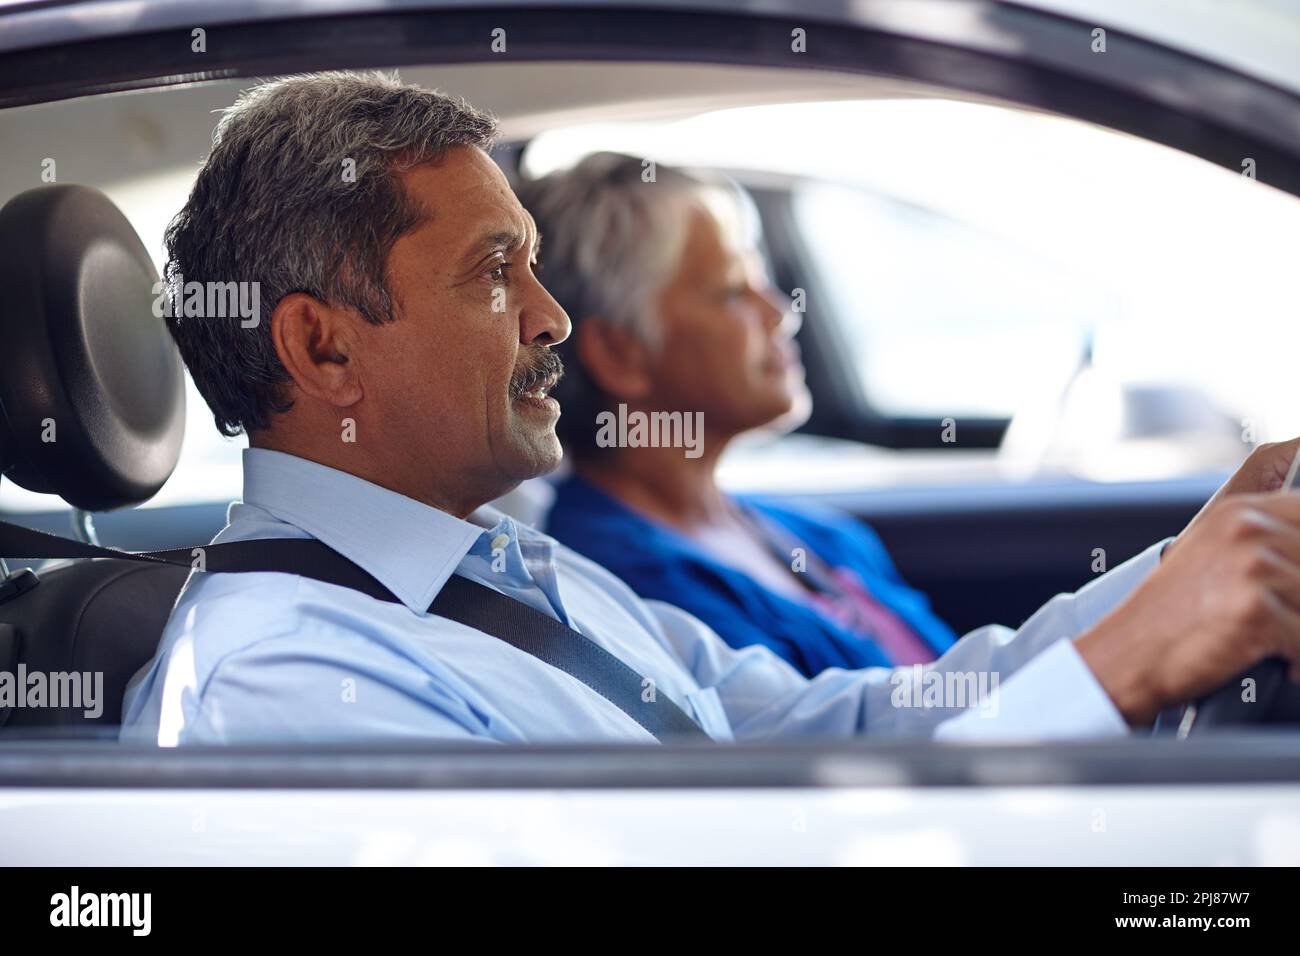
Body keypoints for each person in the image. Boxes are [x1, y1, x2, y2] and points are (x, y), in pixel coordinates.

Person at [122, 71, 1300, 747]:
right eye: (493, 272)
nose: (552, 318)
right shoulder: (277, 683)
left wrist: (1168, 581)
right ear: (322, 345)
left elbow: (838, 732)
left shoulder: (522, 570)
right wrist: (1112, 675)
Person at [519, 154, 956, 675]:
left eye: (762, 281)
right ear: (620, 353)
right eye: (732, 291)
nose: (779, 311)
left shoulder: (815, 533)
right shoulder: (622, 583)